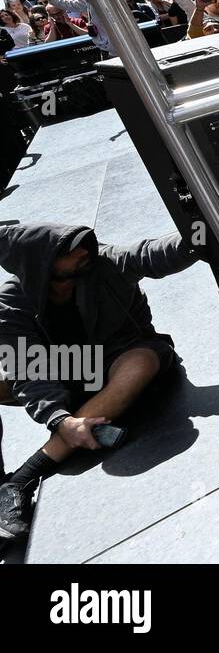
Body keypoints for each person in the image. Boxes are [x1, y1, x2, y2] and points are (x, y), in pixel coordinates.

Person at [0, 223, 201, 542]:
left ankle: (22, 479)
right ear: (41, 264)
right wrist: (58, 417)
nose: (83, 253)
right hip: (70, 370)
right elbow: (26, 368)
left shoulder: (105, 262)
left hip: (120, 355)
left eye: (84, 245)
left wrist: (199, 236)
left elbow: (151, 254)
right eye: (69, 251)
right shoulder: (13, 300)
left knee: (141, 363)